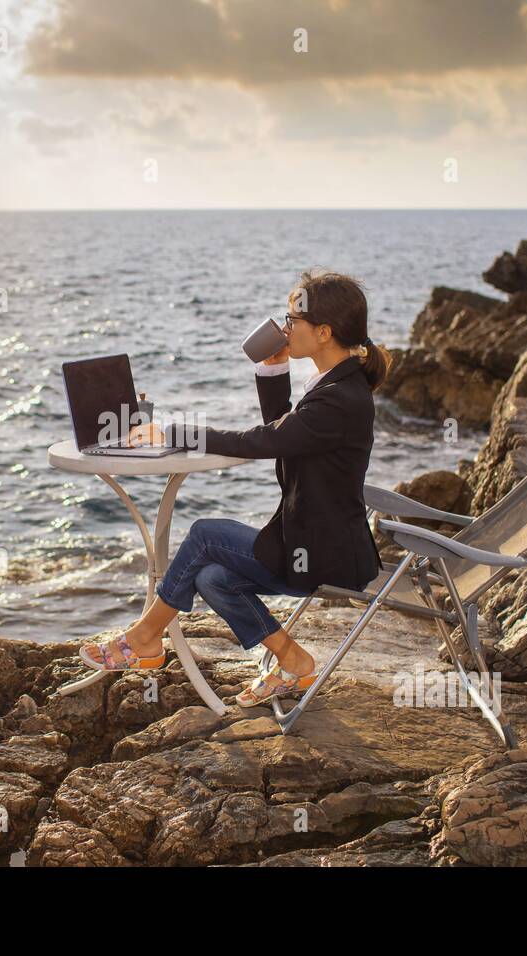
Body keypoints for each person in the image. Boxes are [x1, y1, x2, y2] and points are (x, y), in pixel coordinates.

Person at [77, 269, 393, 707]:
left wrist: (170, 432)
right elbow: (286, 432)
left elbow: (261, 441)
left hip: (323, 557)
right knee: (212, 576)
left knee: (206, 534)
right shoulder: (337, 387)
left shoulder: (338, 398)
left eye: (292, 321)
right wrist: (274, 368)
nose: (284, 329)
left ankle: (145, 638)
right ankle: (294, 662)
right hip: (317, 546)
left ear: (323, 332)